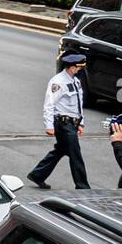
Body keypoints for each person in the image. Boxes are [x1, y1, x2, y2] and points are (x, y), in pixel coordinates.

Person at [28, 53, 89, 190]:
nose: (81, 70)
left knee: (60, 150)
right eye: (79, 68)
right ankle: (82, 187)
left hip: (72, 123)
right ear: (72, 67)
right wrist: (49, 125)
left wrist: (81, 122)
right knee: (75, 154)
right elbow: (49, 104)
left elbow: (78, 103)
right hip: (63, 124)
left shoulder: (75, 80)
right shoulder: (58, 82)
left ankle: (38, 175)